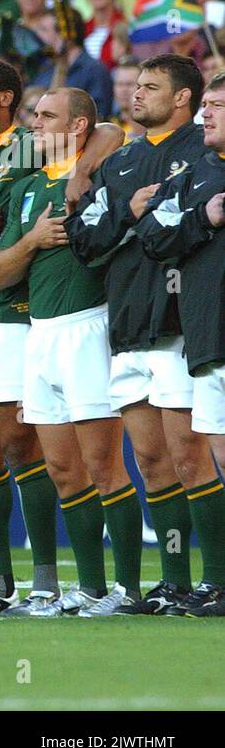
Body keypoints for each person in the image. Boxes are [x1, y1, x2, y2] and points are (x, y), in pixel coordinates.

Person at [68, 54, 223, 616]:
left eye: (150, 86)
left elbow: (186, 228)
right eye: (134, 84)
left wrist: (146, 218)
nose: (136, 94)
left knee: (190, 457)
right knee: (153, 461)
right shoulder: (123, 159)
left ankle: (216, 579)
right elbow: (84, 237)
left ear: (182, 98)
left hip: (180, 322)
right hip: (128, 321)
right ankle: (176, 582)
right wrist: (130, 214)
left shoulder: (202, 154)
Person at [0, 87, 139, 616]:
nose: (33, 124)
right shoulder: (27, 187)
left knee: (102, 464)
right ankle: (90, 588)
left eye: (46, 116)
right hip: (39, 334)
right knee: (61, 468)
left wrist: (84, 168)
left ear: (76, 128)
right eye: (33, 114)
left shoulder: (106, 173)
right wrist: (31, 241)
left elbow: (115, 131)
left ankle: (129, 590)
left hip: (87, 327)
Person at [134, 71, 225, 617]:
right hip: (208, 340)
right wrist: (203, 216)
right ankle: (217, 582)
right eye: (207, 105)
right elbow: (153, 235)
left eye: (218, 105)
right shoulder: (194, 175)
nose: (206, 114)